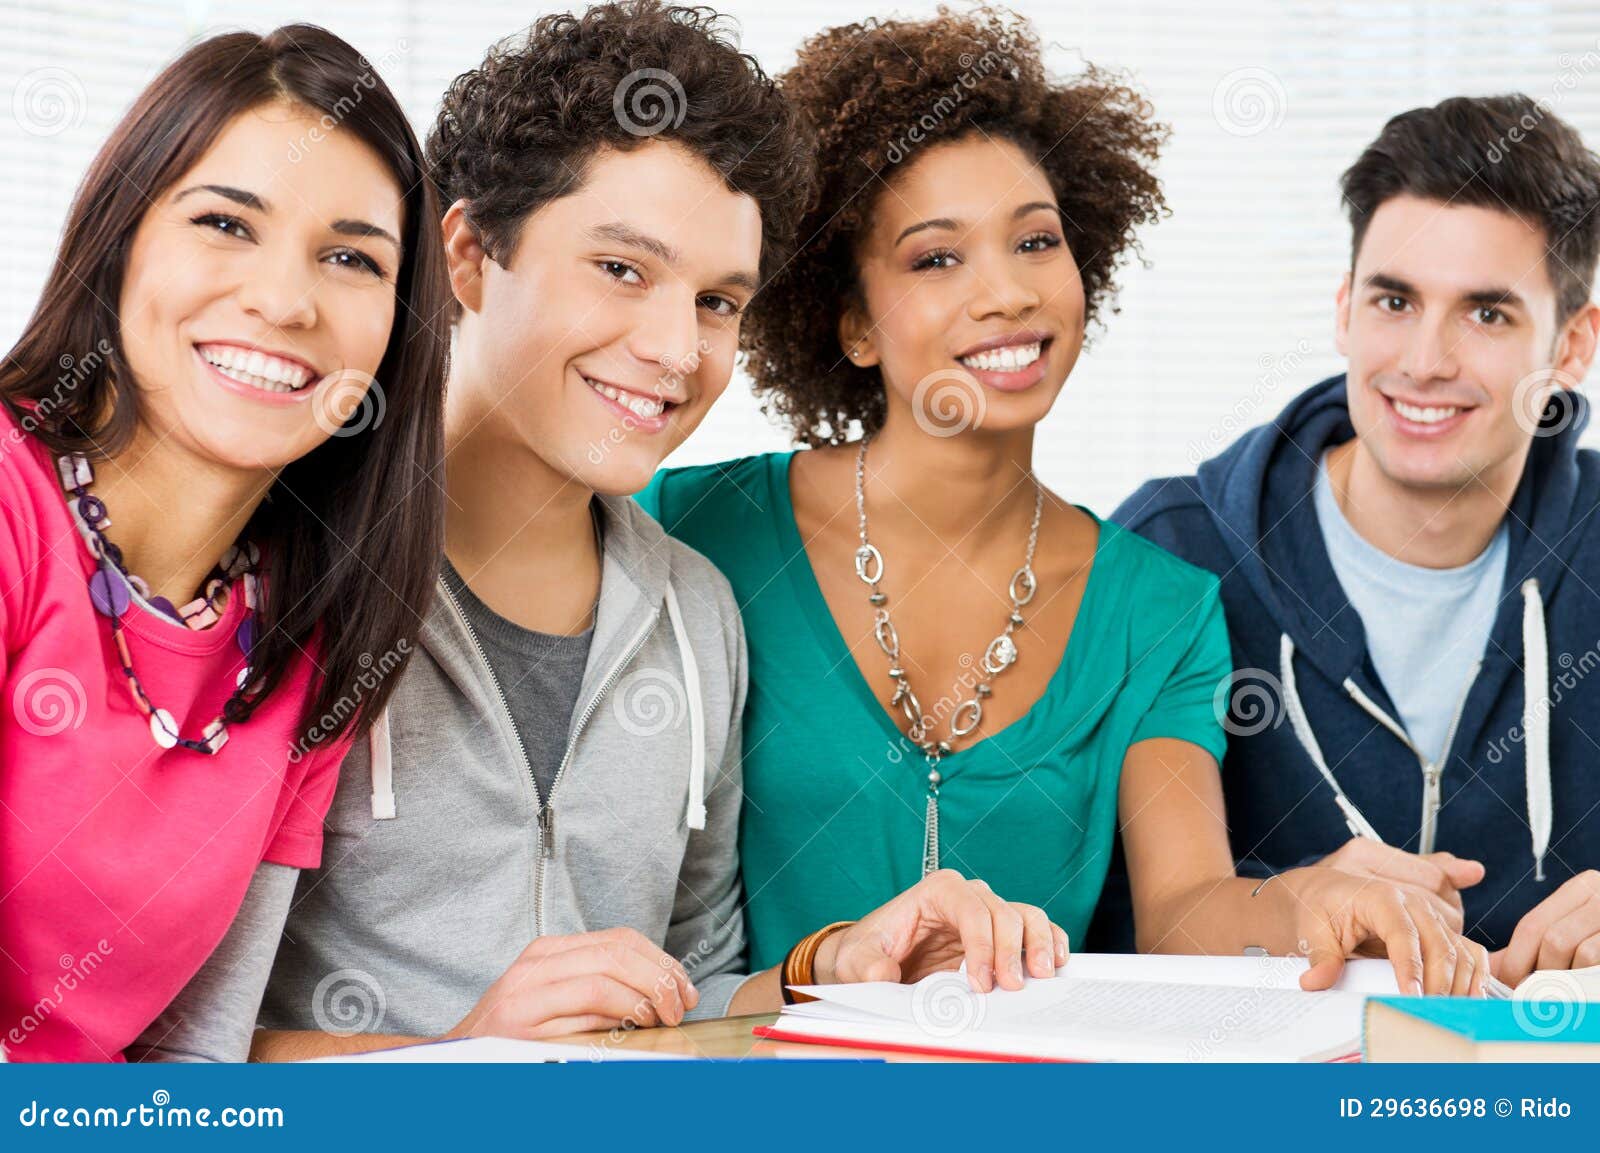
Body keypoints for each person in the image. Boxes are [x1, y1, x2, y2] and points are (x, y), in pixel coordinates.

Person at [225, 3, 1069, 1062]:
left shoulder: (696, 613)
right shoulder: (282, 564)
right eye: (622, 269)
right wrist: (461, 1054)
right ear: (470, 256)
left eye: (718, 302)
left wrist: (835, 964)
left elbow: (688, 985)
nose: (676, 350)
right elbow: (160, 1041)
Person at [640, 6, 1484, 997]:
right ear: (853, 321)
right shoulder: (693, 527)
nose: (1008, 292)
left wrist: (1309, 900)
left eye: (1036, 241)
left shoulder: (1159, 608)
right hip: (744, 1065)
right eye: (936, 257)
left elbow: (1184, 910)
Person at [0, 25, 450, 1061]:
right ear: (118, 240)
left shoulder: (319, 625)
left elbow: (200, 1056)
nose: (284, 301)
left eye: (351, 257)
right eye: (225, 223)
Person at [1107, 94, 1600, 986]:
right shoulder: (1173, 552)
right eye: (1395, 300)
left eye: (1487, 314)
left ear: (1572, 346)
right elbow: (1116, 924)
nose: (1424, 361)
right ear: (1345, 309)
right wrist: (1292, 907)